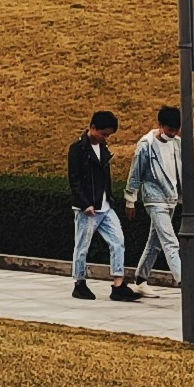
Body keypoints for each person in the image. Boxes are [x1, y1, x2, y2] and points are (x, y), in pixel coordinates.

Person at [67, 109, 141, 303]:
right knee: (82, 246)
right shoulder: (77, 149)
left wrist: (109, 198)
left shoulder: (103, 148)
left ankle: (118, 284)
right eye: (103, 133)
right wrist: (85, 204)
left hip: (105, 205)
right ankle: (79, 282)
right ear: (92, 128)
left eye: (108, 135)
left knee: (118, 241)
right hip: (88, 208)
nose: (105, 137)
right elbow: (74, 180)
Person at [128, 103, 194, 286]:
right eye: (170, 129)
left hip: (170, 198)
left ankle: (140, 278)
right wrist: (130, 200)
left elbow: (187, 171)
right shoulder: (146, 146)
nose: (173, 133)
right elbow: (135, 173)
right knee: (170, 241)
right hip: (154, 199)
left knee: (155, 242)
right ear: (161, 125)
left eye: (176, 130)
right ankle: (185, 281)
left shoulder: (177, 144)